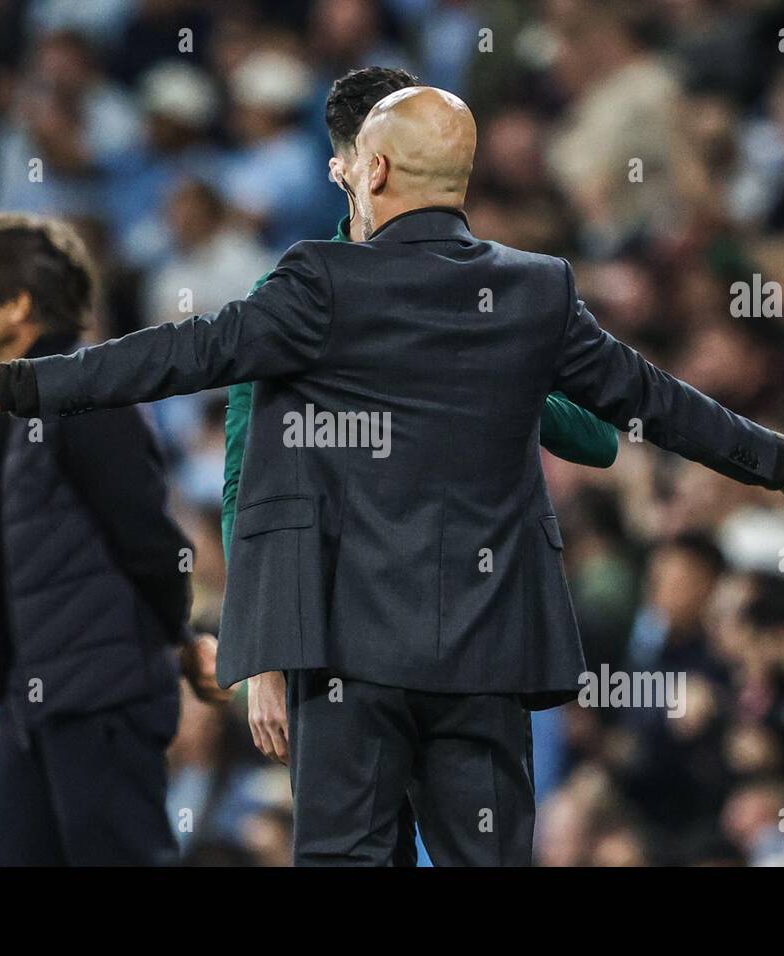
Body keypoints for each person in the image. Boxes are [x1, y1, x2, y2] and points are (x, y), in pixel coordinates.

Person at [0, 88, 784, 866]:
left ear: (377, 170)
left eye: (353, 163)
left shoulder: (320, 280)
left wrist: (22, 384)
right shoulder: (535, 288)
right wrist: (778, 460)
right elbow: (651, 400)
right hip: (489, 651)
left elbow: (180, 353)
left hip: (349, 650)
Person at [225, 66, 618, 867]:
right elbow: (245, 482)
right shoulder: (294, 299)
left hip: (470, 638)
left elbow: (602, 439)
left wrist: (473, 379)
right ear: (354, 166)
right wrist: (263, 654)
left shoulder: (490, 294)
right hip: (340, 646)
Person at [0, 213, 224, 866]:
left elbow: (150, 537)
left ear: (17, 305)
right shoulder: (27, 403)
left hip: (101, 695)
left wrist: (178, 641)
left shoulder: (87, 393)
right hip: (38, 700)